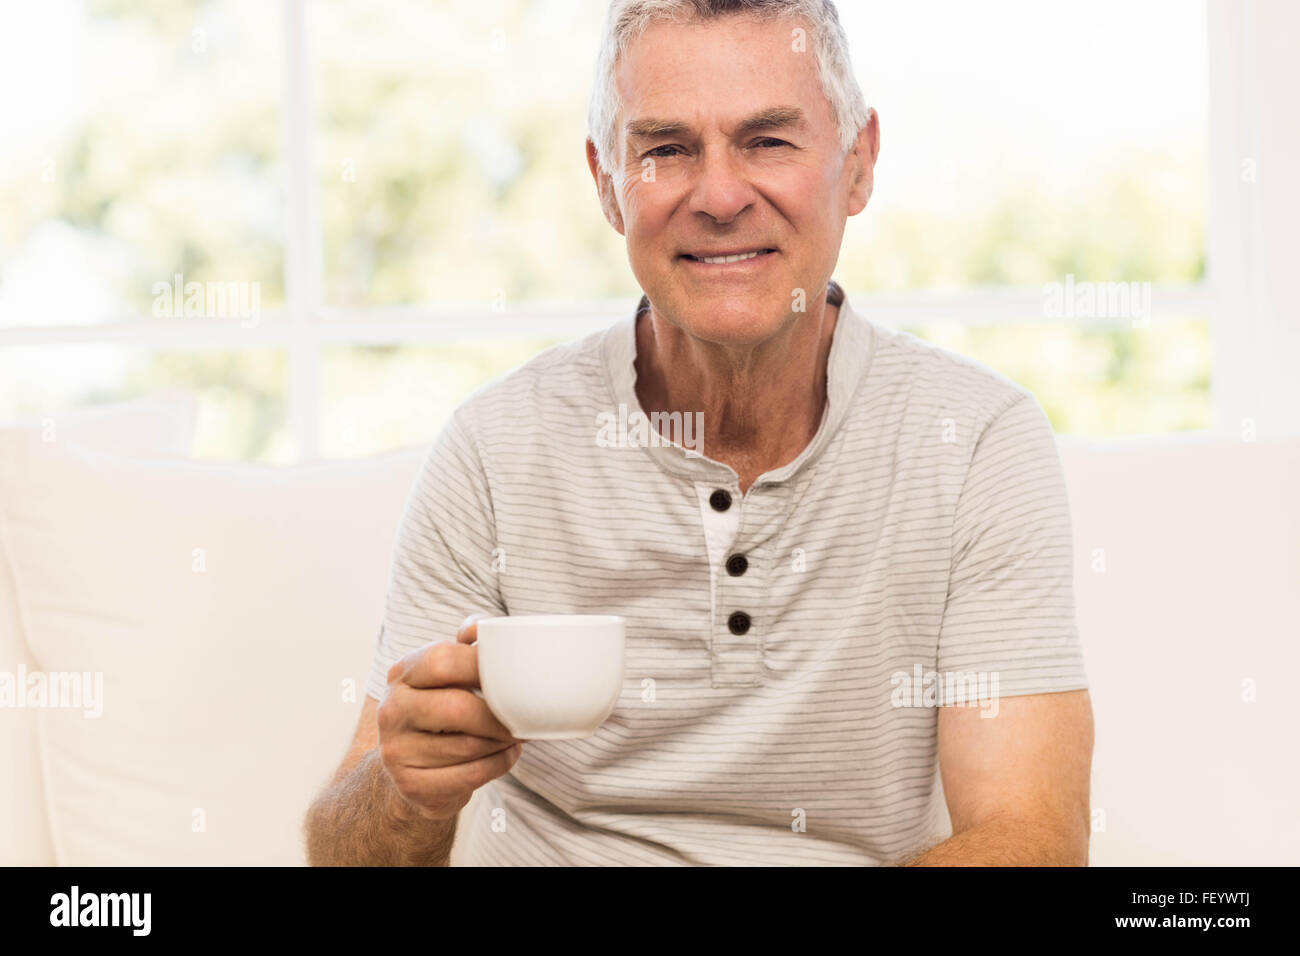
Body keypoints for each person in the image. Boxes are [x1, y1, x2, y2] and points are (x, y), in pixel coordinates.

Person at [305, 0, 1093, 866]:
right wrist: (404, 786)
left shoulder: (976, 439)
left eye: (768, 141)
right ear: (607, 183)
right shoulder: (497, 446)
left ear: (858, 164)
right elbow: (345, 856)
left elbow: (1031, 843)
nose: (719, 197)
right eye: (666, 150)